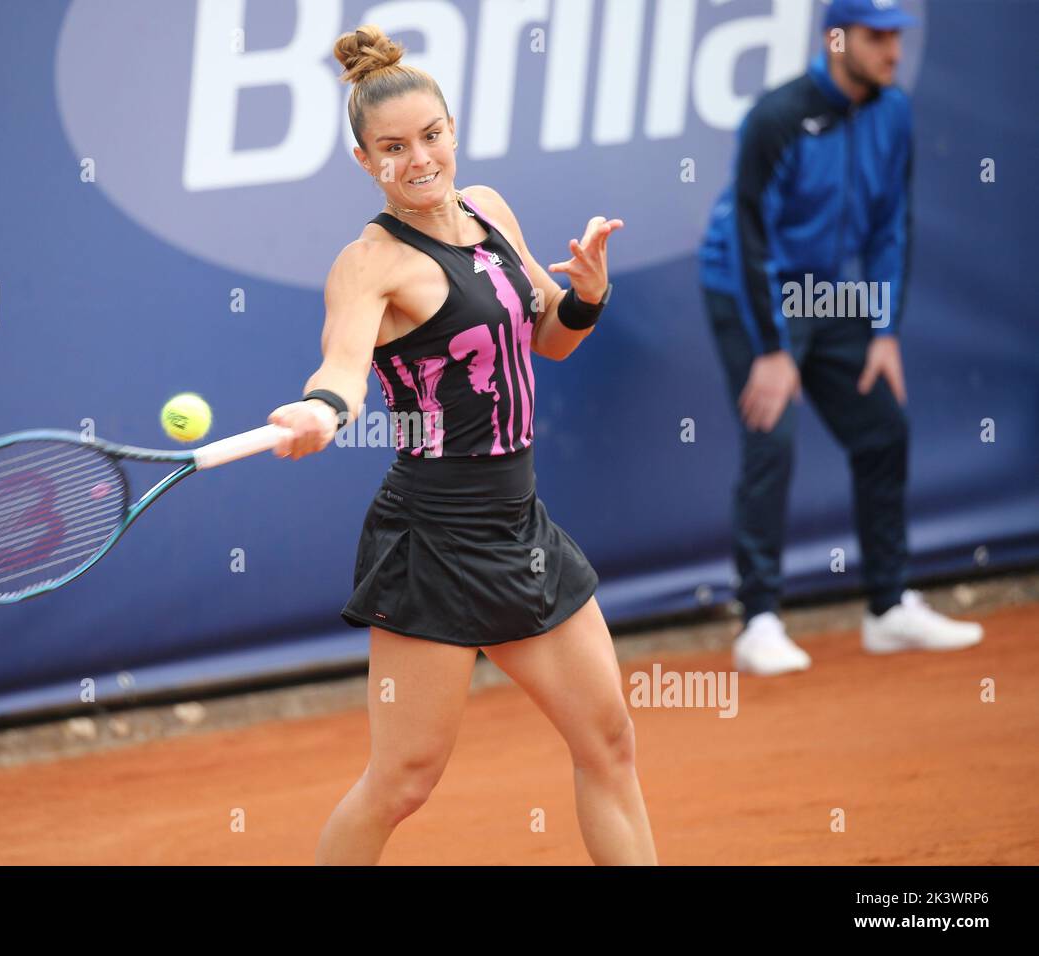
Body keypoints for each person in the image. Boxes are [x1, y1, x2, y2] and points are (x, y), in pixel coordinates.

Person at [265, 25, 657, 865]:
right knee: (402, 781)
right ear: (367, 160)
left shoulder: (490, 210)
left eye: (431, 136)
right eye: (393, 147)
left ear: (452, 129)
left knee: (610, 743)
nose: (419, 159)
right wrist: (320, 413)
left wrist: (587, 296)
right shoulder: (368, 264)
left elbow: (550, 336)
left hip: (520, 526)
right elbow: (341, 368)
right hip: (430, 539)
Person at [698, 0, 982, 676]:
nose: (892, 51)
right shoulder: (776, 117)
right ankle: (759, 620)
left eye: (897, 36)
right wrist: (771, 349)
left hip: (830, 292)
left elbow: (891, 225)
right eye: (877, 36)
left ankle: (888, 609)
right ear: (836, 38)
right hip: (749, 286)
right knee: (772, 437)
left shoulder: (894, 112)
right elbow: (749, 235)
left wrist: (884, 330)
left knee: (883, 430)